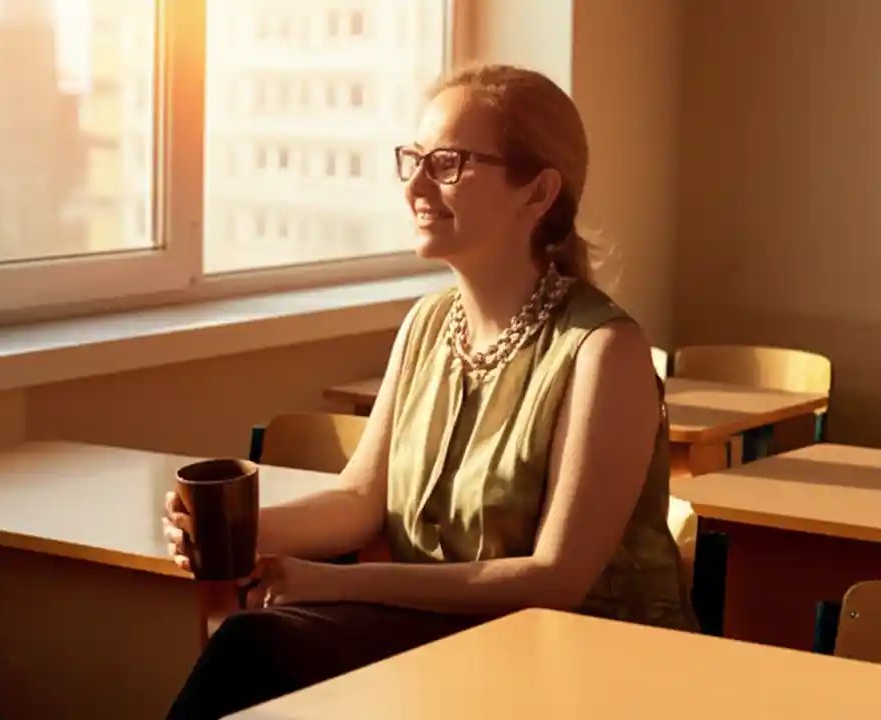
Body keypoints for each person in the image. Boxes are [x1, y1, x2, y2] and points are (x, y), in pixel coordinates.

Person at [161, 63, 696, 719]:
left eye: (447, 163)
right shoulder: (427, 324)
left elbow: (555, 581)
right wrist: (237, 537)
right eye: (412, 159)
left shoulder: (604, 350)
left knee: (259, 650)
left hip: (584, 664)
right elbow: (361, 500)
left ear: (538, 192)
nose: (415, 184)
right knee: (258, 645)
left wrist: (333, 583)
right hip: (455, 637)